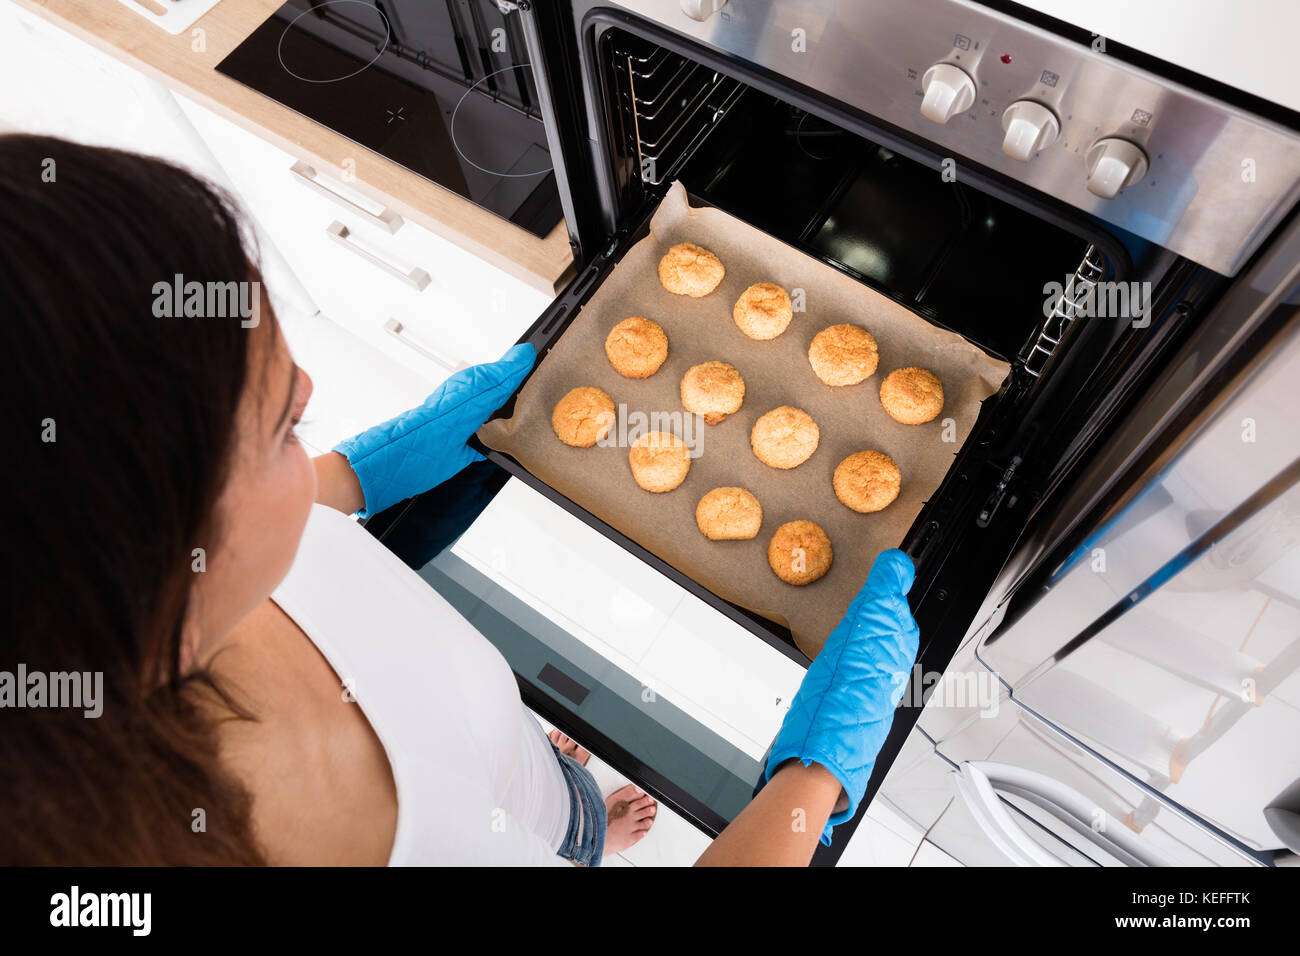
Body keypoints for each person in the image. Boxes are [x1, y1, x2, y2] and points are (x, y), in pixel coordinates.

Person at [0, 135, 918, 866]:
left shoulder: (158, 594)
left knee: (538, 782)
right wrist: (813, 783)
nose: (312, 388)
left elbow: (282, 534)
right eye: (277, 426)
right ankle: (584, 836)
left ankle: (570, 807)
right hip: (497, 829)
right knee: (556, 831)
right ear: (129, 556)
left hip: (498, 748)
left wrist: (350, 475)